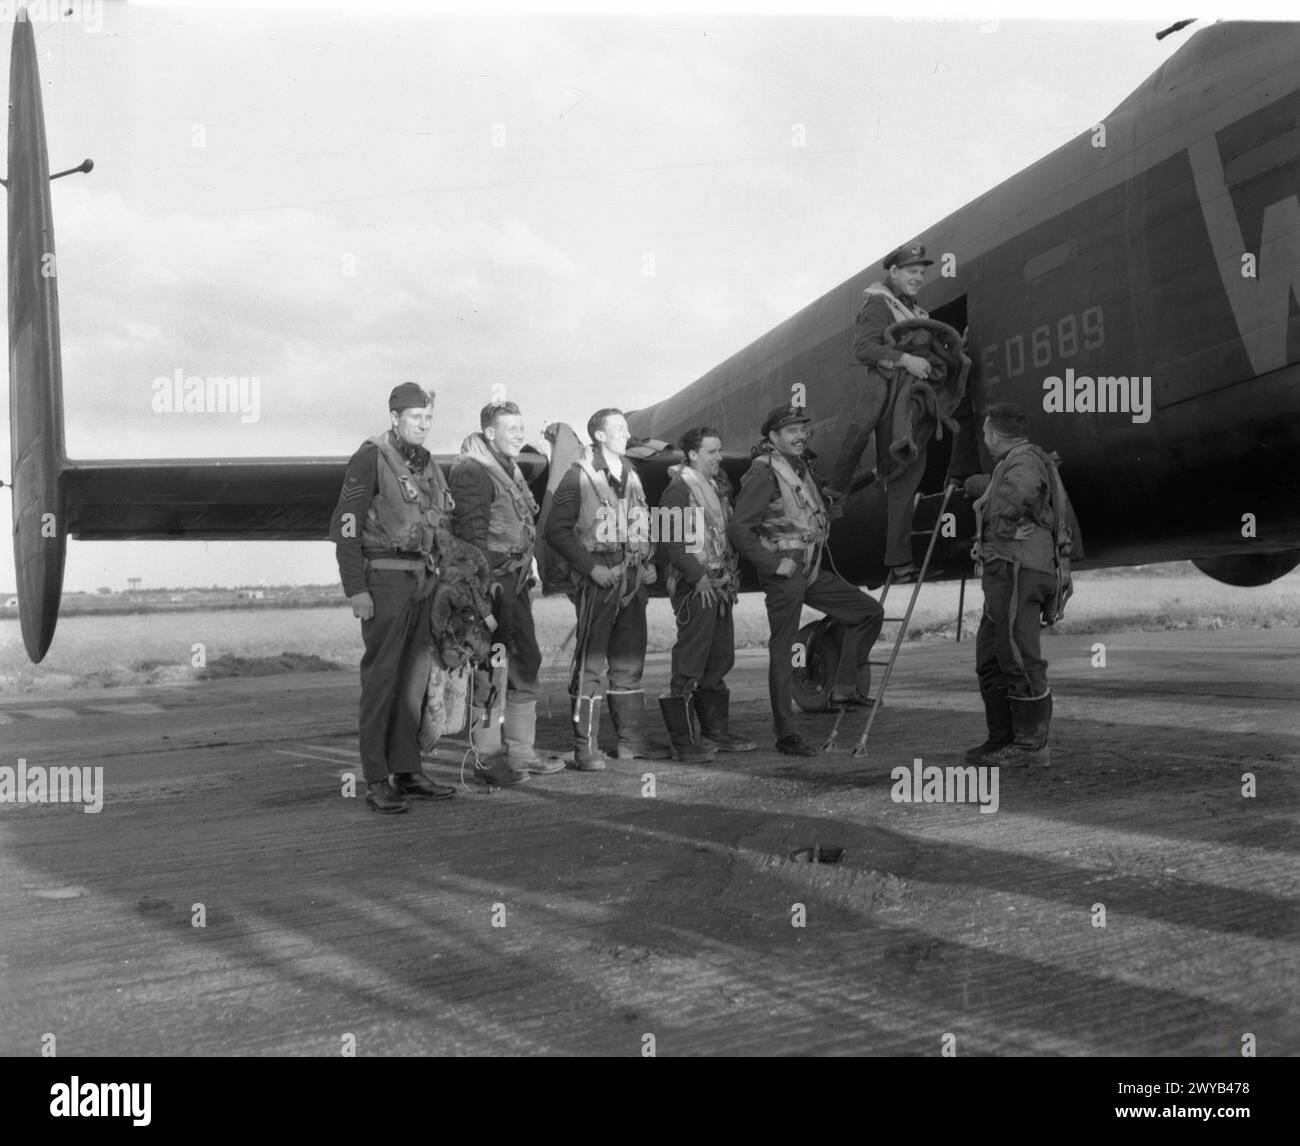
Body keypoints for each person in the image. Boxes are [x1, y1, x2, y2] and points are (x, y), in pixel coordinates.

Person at [728, 403, 885, 756]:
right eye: (791, 431)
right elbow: (740, 528)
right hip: (785, 572)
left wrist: (873, 476)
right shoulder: (764, 472)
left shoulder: (799, 469)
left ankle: (844, 686)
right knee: (783, 652)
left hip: (810, 569)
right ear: (773, 437)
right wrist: (771, 564)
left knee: (867, 612)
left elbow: (816, 506)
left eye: (803, 429)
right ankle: (786, 735)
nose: (801, 436)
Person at [329, 382, 457, 813]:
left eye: (427, 418)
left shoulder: (427, 465)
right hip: (384, 581)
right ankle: (376, 778)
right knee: (382, 680)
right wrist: (356, 589)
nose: (422, 424)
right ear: (394, 418)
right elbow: (345, 526)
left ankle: (407, 769)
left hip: (423, 581)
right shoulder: (370, 457)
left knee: (414, 680)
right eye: (414, 417)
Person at [826, 243, 966, 582]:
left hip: (915, 403)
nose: (918, 278)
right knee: (881, 457)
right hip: (891, 396)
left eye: (922, 273)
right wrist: (906, 359)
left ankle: (900, 563)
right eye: (911, 272)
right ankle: (835, 496)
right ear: (893, 272)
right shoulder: (878, 303)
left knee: (908, 480)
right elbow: (862, 348)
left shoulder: (915, 310)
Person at [543, 408, 670, 769]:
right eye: (618, 428)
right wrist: (590, 568)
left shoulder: (631, 475)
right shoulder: (577, 475)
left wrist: (650, 566)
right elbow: (556, 530)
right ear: (598, 435)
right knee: (590, 666)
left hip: (633, 582)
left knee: (629, 663)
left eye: (626, 428)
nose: (626, 433)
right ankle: (586, 749)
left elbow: (644, 526)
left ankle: (631, 741)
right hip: (600, 582)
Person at [450, 400, 564, 786]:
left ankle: (520, 752)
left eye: (521, 427)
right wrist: (484, 589)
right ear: (489, 433)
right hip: (491, 588)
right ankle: (487, 757)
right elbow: (470, 536)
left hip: (514, 586)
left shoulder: (507, 469)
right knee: (490, 670)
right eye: (510, 428)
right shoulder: (472, 472)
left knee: (525, 661)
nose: (519, 433)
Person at [963, 402, 1079, 768]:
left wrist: (1003, 528)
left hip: (1020, 569)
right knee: (991, 657)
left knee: (1016, 653)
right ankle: (1003, 739)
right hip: (1004, 572)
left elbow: (1015, 499)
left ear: (995, 434)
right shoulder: (1013, 462)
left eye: (984, 431)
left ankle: (1031, 745)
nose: (983, 437)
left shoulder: (1025, 461)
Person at [656, 427, 756, 760]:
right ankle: (683, 743)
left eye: (720, 451)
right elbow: (669, 542)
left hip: (720, 586)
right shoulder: (676, 490)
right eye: (712, 452)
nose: (719, 457)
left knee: (719, 658)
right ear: (693, 455)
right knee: (690, 661)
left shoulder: (713, 488)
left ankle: (715, 734)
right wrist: (697, 576)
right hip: (695, 587)